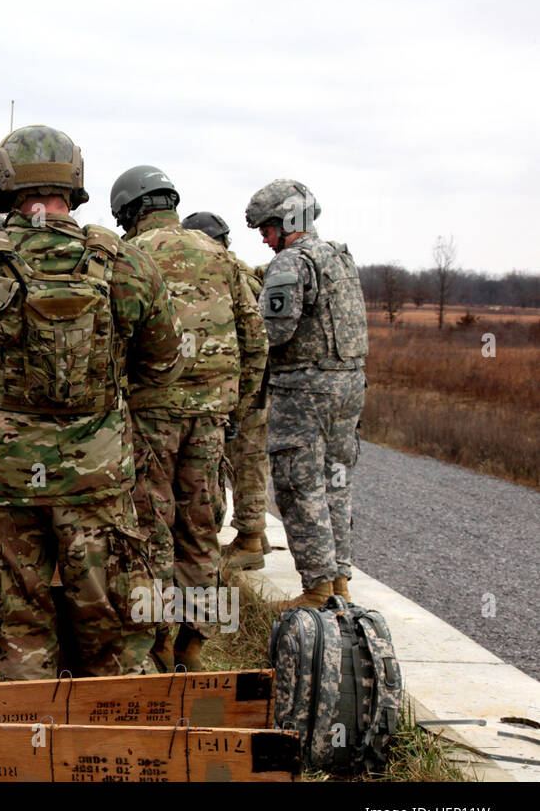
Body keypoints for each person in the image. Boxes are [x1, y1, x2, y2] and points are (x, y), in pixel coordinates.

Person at [0, 126, 186, 680]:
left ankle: (35, 738)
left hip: (3, 484)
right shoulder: (127, 265)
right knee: (115, 624)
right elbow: (165, 366)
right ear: (74, 183)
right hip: (98, 479)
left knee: (16, 624)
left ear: (5, 187)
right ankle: (120, 737)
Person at [110, 170, 267, 672]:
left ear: (129, 212)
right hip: (211, 416)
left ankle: (153, 640)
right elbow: (255, 338)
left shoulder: (128, 256)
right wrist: (235, 411)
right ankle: (194, 643)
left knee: (151, 527)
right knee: (201, 527)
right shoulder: (221, 255)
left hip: (150, 415)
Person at [246, 179, 368, 608]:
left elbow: (272, 333)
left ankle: (316, 590)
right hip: (348, 387)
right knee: (336, 484)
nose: (263, 238)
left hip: (304, 392)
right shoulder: (340, 258)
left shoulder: (289, 265)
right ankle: (338, 584)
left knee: (300, 486)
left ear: (285, 223)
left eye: (266, 229)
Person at [182, 211, 272, 572]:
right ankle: (254, 533)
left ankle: (249, 538)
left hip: (240, 387)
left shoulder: (220, 273)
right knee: (247, 461)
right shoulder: (241, 270)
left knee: (241, 462)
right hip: (250, 382)